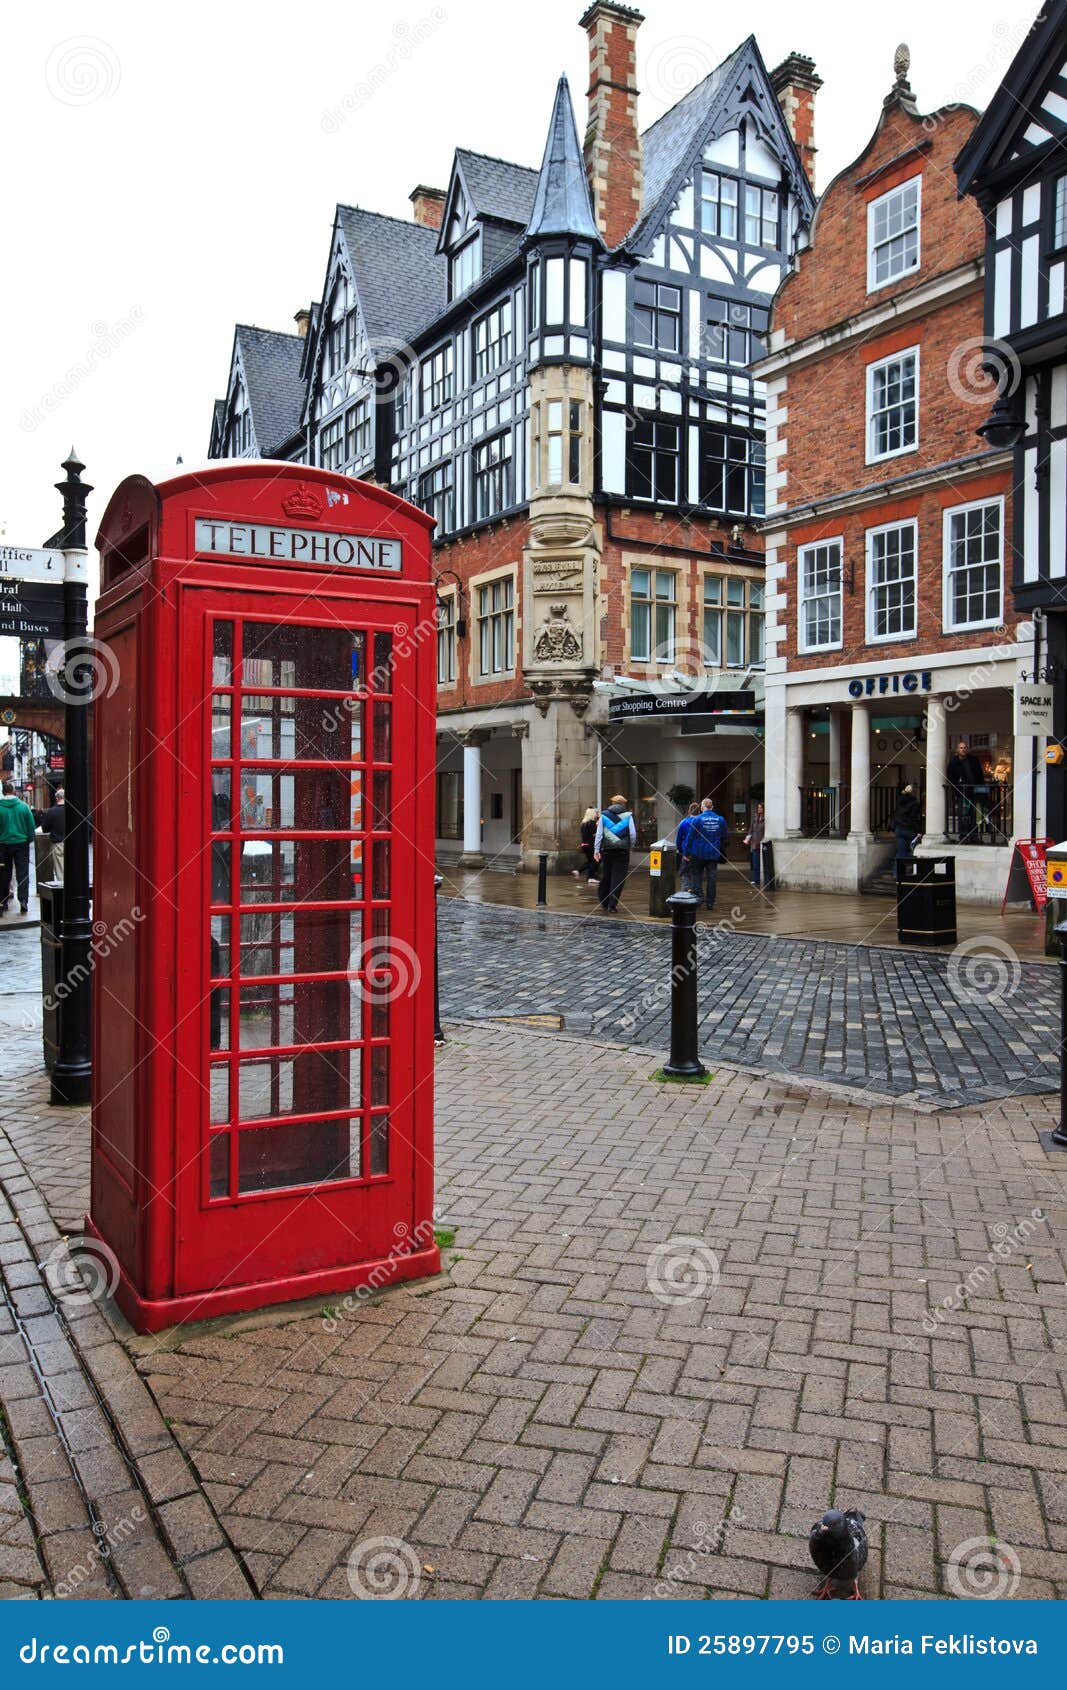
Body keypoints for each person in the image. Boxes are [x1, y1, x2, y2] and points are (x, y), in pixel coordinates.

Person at [682, 797, 728, 911]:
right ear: (712, 807)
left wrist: (686, 853)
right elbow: (725, 837)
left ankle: (699, 898)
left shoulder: (697, 820)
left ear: (702, 808)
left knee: (697, 876)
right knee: (712, 878)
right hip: (713, 854)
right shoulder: (720, 820)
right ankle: (710, 902)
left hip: (698, 853)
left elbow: (690, 838)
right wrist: (720, 847)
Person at [593, 794, 636, 912]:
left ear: (612, 803)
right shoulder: (628, 816)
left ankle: (604, 901)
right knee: (618, 878)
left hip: (607, 850)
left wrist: (596, 850)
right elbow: (632, 834)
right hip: (622, 851)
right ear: (623, 804)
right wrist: (630, 846)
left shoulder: (604, 816)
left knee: (607, 876)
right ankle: (612, 905)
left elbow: (599, 834)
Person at [0, 781, 37, 915]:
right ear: (14, 791)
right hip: (21, 844)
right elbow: (31, 827)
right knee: (22, 873)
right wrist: (28, 840)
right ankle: (23, 901)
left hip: (3, 845)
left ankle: (2, 903)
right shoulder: (23, 807)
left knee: (3, 874)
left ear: (3, 791)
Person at [947, 739, 983, 842]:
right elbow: (950, 777)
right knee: (962, 815)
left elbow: (979, 776)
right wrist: (956, 789)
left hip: (973, 792)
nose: (963, 749)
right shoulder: (953, 762)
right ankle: (963, 836)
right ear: (957, 750)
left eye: (964, 748)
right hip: (961, 793)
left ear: (967, 749)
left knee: (973, 816)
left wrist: (980, 789)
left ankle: (974, 836)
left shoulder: (974, 760)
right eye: (961, 748)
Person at [40, 786, 66, 883]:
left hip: (57, 843)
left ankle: (62, 888)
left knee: (60, 869)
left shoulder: (51, 811)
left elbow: (44, 829)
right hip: (72, 842)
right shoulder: (72, 810)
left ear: (57, 798)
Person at [892, 783, 923, 860]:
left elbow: (897, 814)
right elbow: (914, 818)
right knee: (917, 847)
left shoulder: (899, 801)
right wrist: (918, 831)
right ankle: (913, 863)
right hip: (909, 829)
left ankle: (898, 871)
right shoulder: (914, 803)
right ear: (913, 792)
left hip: (898, 828)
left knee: (900, 852)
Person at [575, 807, 600, 884]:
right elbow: (595, 834)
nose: (597, 814)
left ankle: (579, 871)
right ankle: (591, 877)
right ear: (593, 814)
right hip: (590, 845)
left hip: (584, 844)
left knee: (591, 861)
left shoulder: (584, 823)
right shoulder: (592, 823)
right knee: (595, 860)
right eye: (596, 813)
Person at [744, 801, 765, 888]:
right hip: (754, 843)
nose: (759, 809)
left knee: (762, 863)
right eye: (758, 807)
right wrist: (747, 838)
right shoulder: (755, 818)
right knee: (755, 862)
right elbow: (751, 830)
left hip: (762, 843)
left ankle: (762, 879)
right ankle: (756, 879)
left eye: (760, 807)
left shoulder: (765, 819)